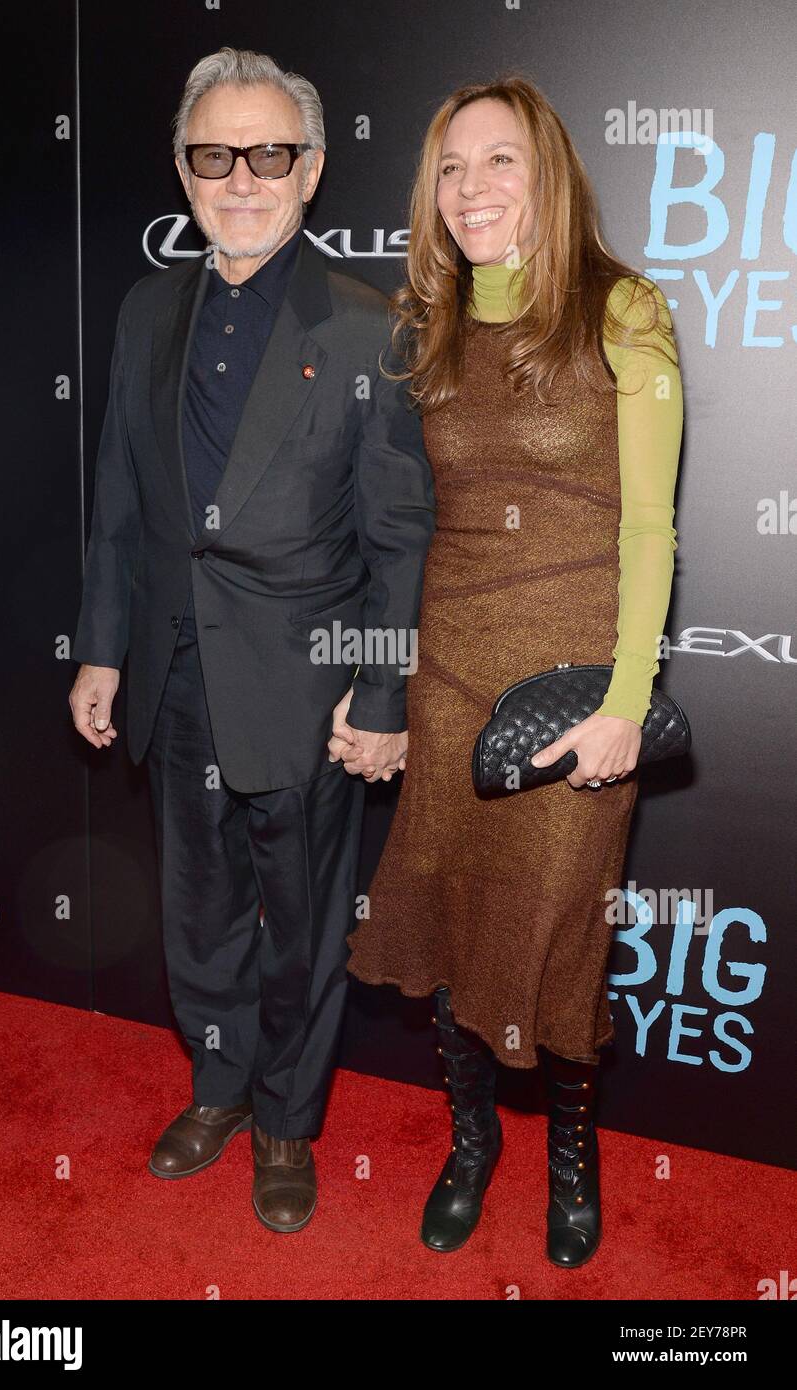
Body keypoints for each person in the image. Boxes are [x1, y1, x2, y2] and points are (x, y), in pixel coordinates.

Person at [68, 46, 435, 1234]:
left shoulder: (368, 327)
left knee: (305, 924)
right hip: (175, 681)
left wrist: (381, 699)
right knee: (199, 914)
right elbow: (119, 499)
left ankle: (286, 1118)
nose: (241, 178)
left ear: (312, 168)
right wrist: (103, 647)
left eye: (268, 153)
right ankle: (219, 1087)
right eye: (214, 154)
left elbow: (399, 538)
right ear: (184, 168)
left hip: (306, 692)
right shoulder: (143, 308)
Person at [342, 75, 683, 1267]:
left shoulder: (624, 310)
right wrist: (384, 684)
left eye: (496, 163)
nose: (469, 188)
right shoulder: (429, 325)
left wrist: (624, 703)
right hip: (448, 676)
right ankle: (473, 1142)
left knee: (555, 934)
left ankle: (570, 1154)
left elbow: (650, 528)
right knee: (444, 922)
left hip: (571, 692)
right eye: (447, 167)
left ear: (546, 174)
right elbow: (406, 523)